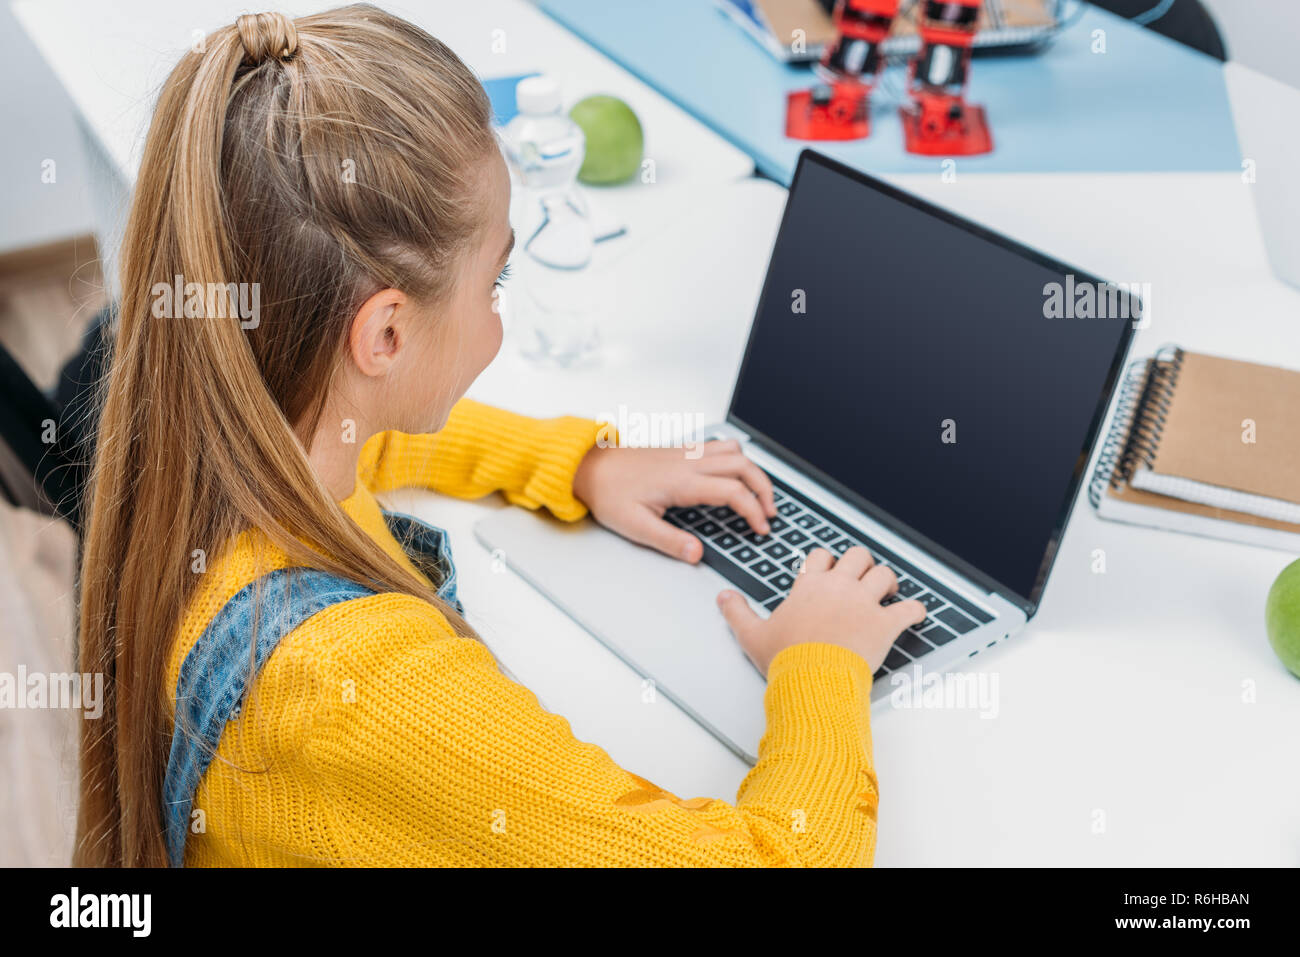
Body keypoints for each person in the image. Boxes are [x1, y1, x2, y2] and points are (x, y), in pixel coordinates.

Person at [74, 5, 925, 867]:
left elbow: (374, 438)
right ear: (385, 337)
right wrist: (821, 661)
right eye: (497, 278)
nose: (497, 319)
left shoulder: (218, 428)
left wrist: (578, 464)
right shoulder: (361, 691)